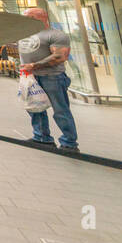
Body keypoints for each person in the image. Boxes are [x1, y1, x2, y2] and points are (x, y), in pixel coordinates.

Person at [18, 8, 78, 152]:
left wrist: (34, 65)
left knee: (60, 110)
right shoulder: (23, 33)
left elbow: (59, 57)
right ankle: (42, 137)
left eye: (28, 17)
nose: (24, 21)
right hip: (30, 77)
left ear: (39, 18)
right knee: (35, 107)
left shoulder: (56, 35)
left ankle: (69, 143)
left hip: (52, 78)